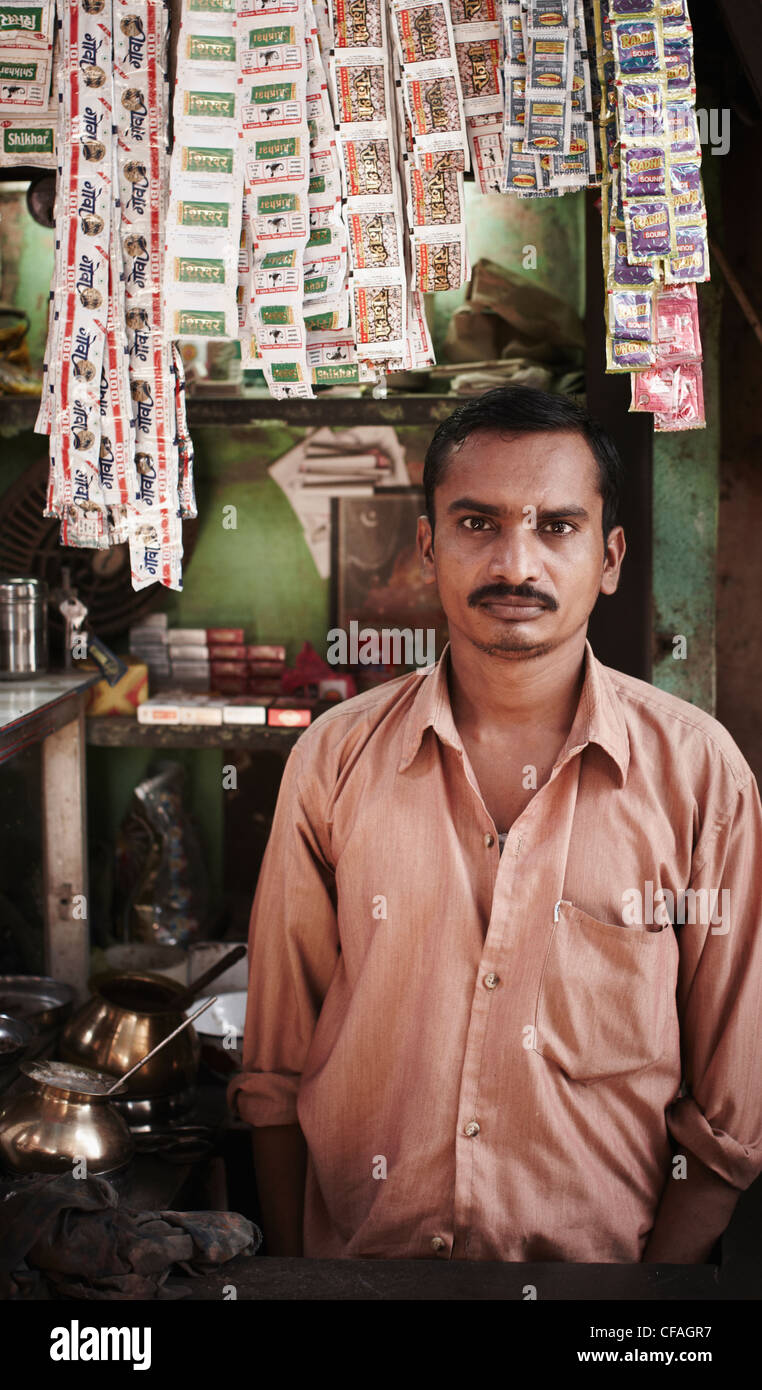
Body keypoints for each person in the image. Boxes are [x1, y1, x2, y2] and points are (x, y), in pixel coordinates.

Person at [227, 386, 762, 1263]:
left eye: (557, 526)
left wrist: (644, 1309)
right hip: (364, 1276)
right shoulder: (334, 760)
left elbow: (732, 1115)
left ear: (609, 556)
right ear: (428, 548)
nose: (517, 563)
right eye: (478, 524)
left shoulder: (701, 779)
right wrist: (302, 1280)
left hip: (601, 1289)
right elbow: (275, 1075)